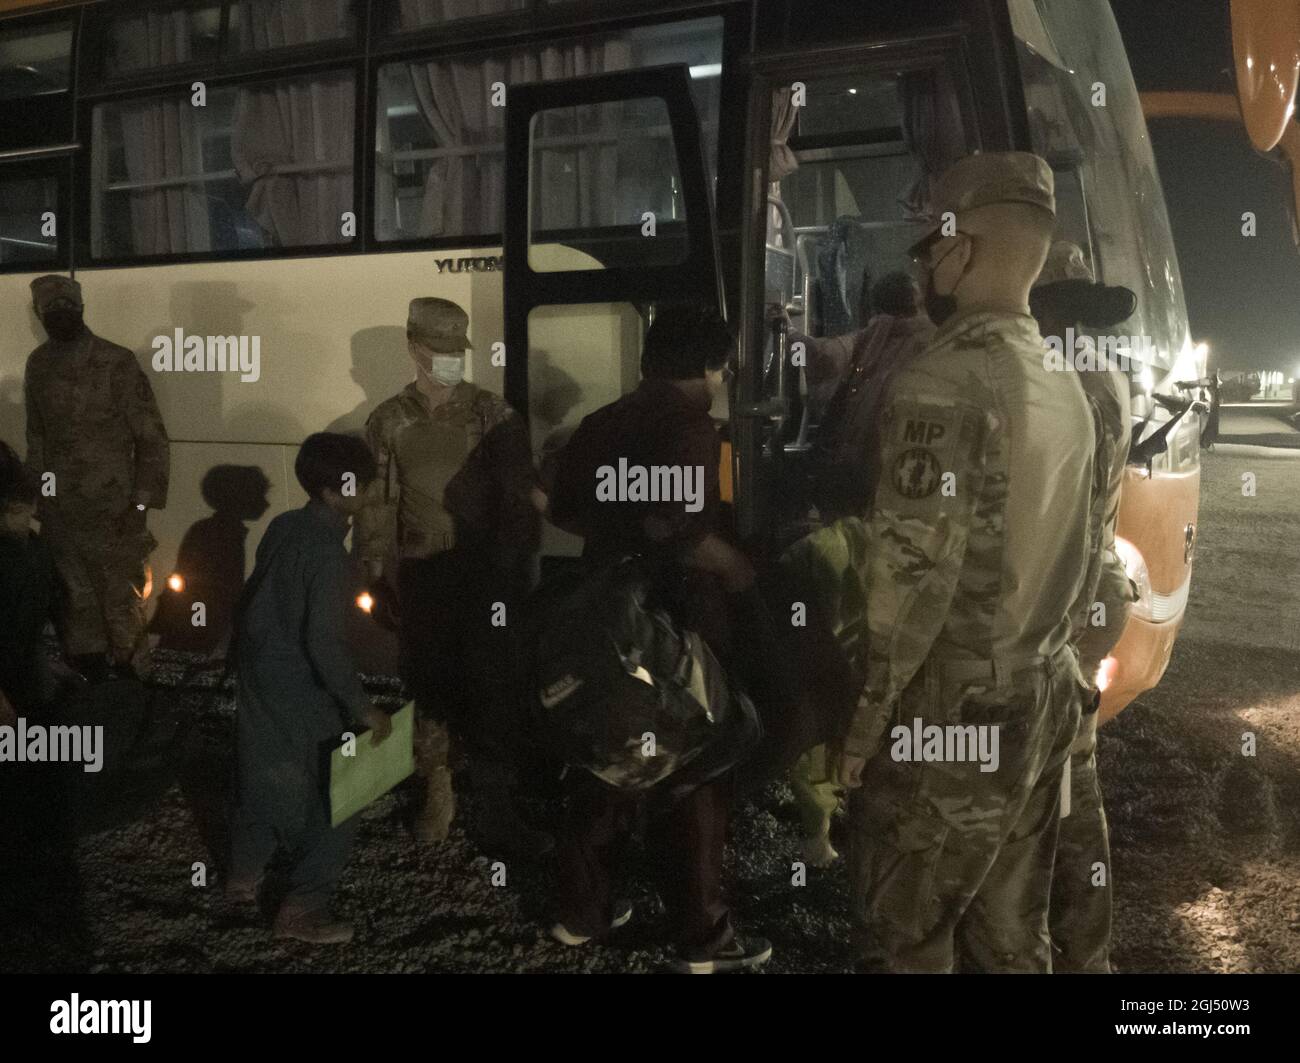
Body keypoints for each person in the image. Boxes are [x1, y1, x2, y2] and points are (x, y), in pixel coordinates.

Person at [837, 152, 1095, 973]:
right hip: (1040, 694)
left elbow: (911, 578)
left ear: (962, 247)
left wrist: (862, 727)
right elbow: (1085, 554)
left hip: (954, 712)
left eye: (932, 244)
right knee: (1012, 936)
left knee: (907, 935)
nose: (928, 261)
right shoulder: (1066, 380)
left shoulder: (945, 380)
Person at [546, 303, 773, 974]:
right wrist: (736, 567)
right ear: (711, 367)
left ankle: (582, 909)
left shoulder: (600, 422)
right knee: (698, 764)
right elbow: (681, 528)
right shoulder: (690, 428)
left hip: (602, 619)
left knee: (609, 753)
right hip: (671, 622)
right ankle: (703, 936)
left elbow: (564, 509)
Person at [357, 298, 547, 852]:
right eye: (438, 351)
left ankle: (497, 805)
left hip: (485, 572)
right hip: (423, 573)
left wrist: (517, 573)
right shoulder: (389, 420)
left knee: (494, 686)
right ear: (413, 347)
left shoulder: (493, 413)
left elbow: (518, 499)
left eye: (455, 352)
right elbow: (377, 501)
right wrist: (374, 572)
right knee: (428, 685)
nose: (449, 361)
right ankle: (437, 791)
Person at [226, 432, 393, 945]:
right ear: (331, 491)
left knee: (262, 773)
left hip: (259, 673)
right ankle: (303, 907)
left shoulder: (283, 526)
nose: (366, 492)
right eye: (358, 484)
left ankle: (242, 879)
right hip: (298, 683)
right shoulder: (326, 554)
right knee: (345, 788)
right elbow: (323, 642)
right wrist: (362, 709)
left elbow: (256, 596)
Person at [1031, 240, 1139, 973]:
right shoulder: (1105, 375)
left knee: (1060, 774)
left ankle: (1076, 951)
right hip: (1099, 588)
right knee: (1070, 767)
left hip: (1070, 597)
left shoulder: (1065, 383)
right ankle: (1081, 948)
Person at [24, 275, 170, 683]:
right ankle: (91, 692)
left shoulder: (115, 362)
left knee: (122, 606)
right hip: (61, 515)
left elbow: (151, 438)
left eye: (66, 308)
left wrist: (140, 504)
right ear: (40, 314)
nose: (59, 317)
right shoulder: (38, 365)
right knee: (75, 606)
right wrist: (38, 499)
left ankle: (134, 693)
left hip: (115, 514)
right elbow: (36, 436)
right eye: (50, 311)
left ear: (82, 309)